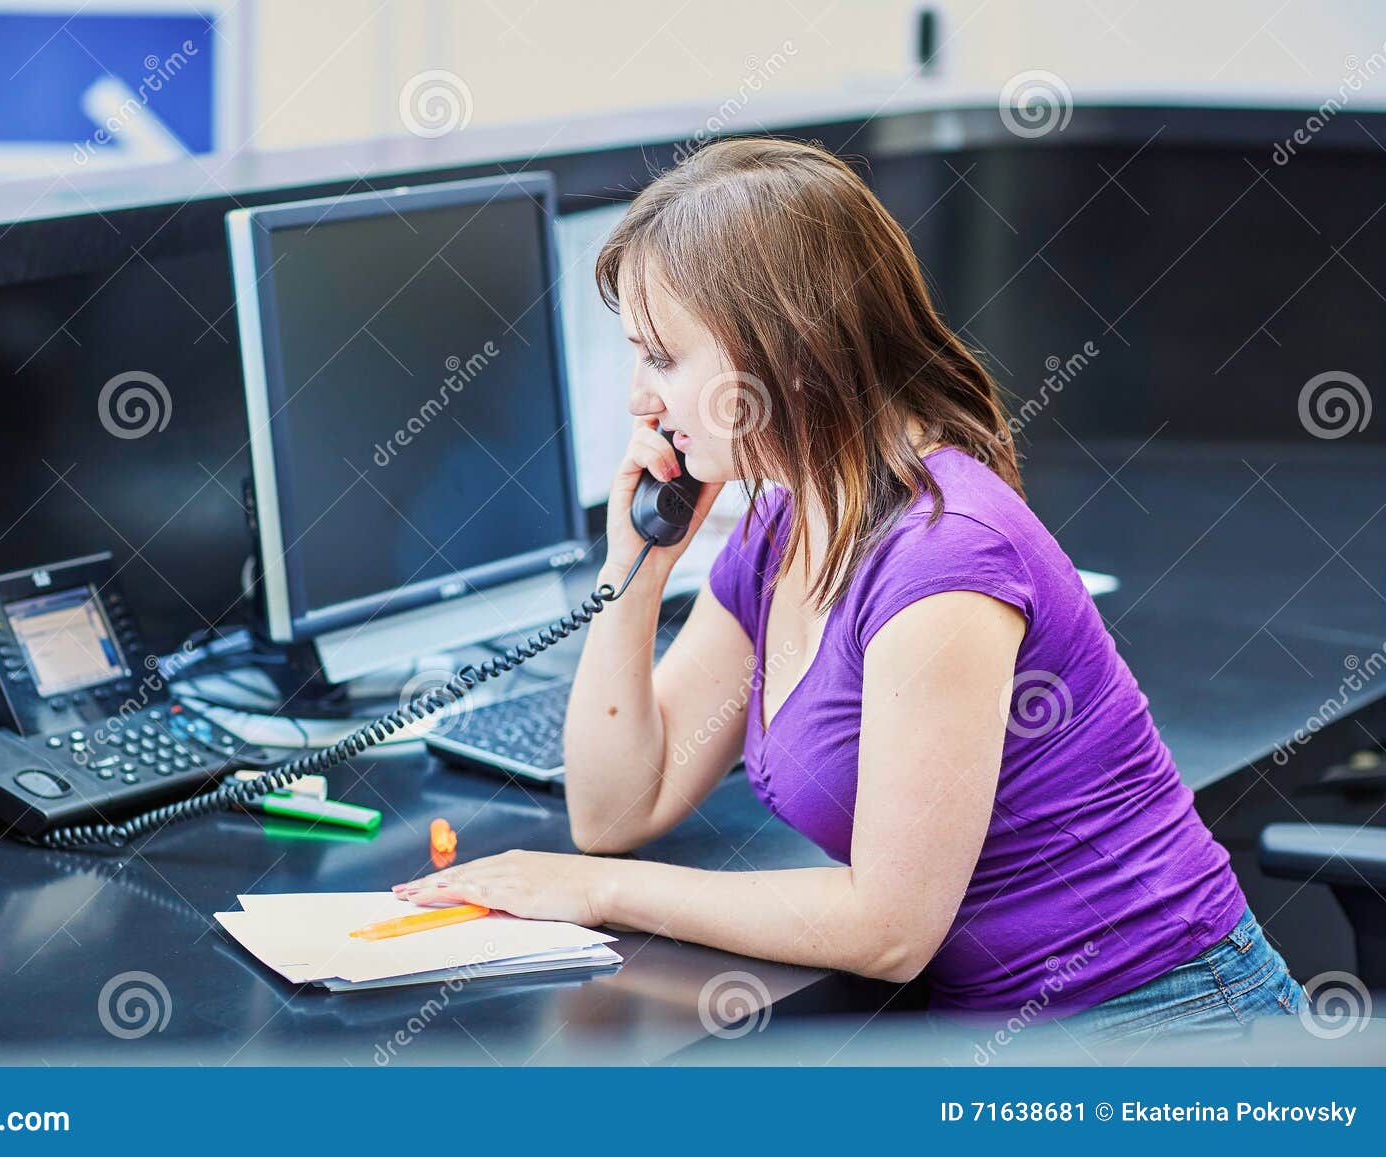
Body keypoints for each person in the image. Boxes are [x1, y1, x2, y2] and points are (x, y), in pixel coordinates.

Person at [394, 137, 1305, 1041]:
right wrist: (632, 570)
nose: (641, 399)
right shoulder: (781, 525)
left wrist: (599, 892)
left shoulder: (944, 558)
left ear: (788, 353)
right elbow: (614, 808)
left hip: (1165, 1020)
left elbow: (890, 929)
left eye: (663, 358)